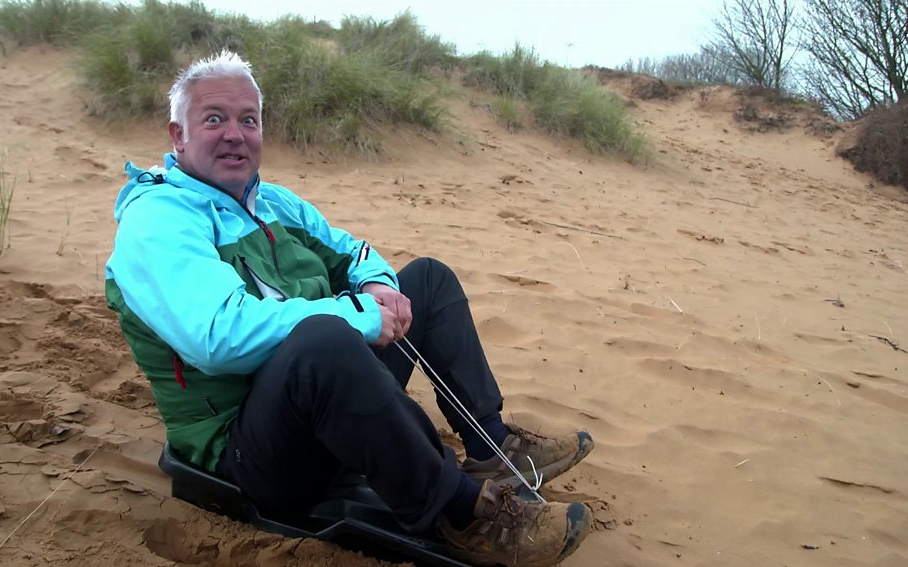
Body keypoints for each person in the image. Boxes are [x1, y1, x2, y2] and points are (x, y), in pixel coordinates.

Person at [105, 50, 595, 566]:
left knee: (426, 280)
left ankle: (493, 446)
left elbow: (352, 252)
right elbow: (219, 336)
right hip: (245, 451)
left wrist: (379, 287)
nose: (235, 134)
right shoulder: (157, 220)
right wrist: (357, 315)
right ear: (178, 135)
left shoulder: (270, 202)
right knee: (325, 340)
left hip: (323, 396)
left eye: (248, 120)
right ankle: (464, 515)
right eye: (214, 119)